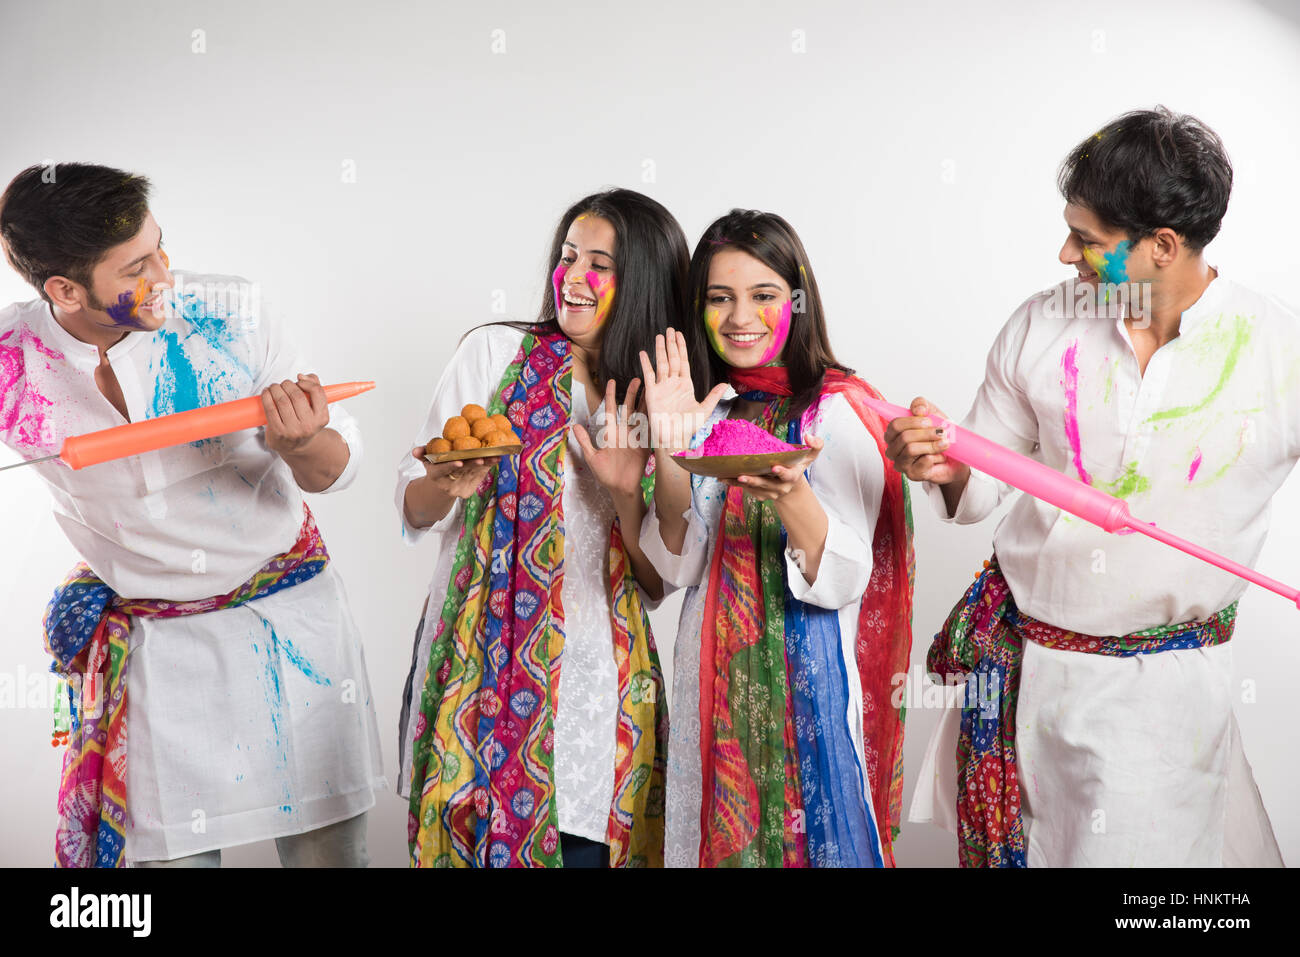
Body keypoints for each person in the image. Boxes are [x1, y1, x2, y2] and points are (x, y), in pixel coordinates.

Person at [886, 107, 1291, 866]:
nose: (1065, 251)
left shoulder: (1277, 352)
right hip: (1026, 677)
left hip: (1165, 701)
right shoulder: (1042, 324)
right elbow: (976, 486)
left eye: (1090, 240)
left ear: (1163, 247)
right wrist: (940, 462)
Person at [0, 163, 385, 867]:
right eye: (137, 267)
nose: (166, 276)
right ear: (63, 289)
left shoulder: (231, 311)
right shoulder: (10, 361)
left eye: (160, 248)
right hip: (157, 658)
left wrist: (302, 441)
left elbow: (336, 467)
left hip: (291, 631)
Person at [396, 188, 685, 867]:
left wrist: (623, 493)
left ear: (640, 280)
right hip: (478, 683)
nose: (573, 279)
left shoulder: (658, 396)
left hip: (601, 695)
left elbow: (656, 581)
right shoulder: (493, 355)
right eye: (567, 257)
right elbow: (410, 507)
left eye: (599, 265)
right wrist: (445, 481)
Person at [637, 209, 915, 867]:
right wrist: (674, 448)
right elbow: (676, 563)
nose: (741, 316)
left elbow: (853, 575)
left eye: (763, 296)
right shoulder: (714, 408)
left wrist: (791, 493)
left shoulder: (839, 412)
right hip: (714, 691)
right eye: (719, 297)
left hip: (810, 700)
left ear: (797, 301)